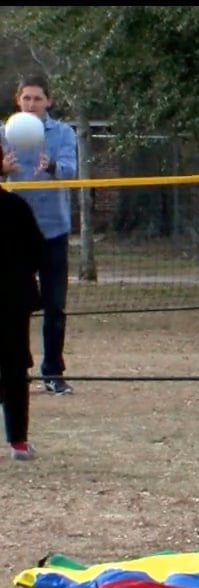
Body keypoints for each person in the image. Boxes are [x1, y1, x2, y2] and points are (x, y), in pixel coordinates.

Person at [1, 75, 78, 396]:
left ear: (49, 101)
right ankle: (15, 368)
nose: (31, 104)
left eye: (37, 99)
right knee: (11, 305)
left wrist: (51, 168)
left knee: (54, 306)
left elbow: (70, 169)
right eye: (26, 98)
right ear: (18, 100)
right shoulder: (3, 133)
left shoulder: (62, 133)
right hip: (13, 235)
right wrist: (2, 169)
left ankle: (53, 372)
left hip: (52, 231)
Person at [0, 184, 47, 460]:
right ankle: (18, 442)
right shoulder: (16, 206)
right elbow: (37, 251)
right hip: (13, 301)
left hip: (12, 299)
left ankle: (18, 440)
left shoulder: (16, 206)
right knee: (14, 369)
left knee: (14, 370)